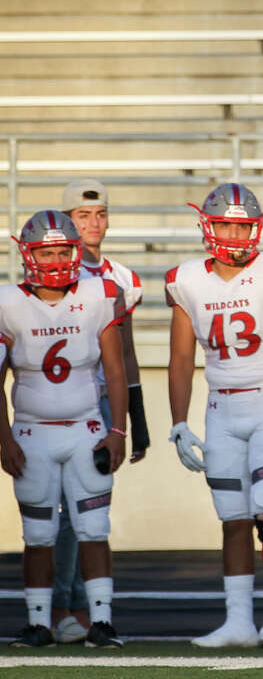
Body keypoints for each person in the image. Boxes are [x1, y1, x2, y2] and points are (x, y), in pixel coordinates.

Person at [166, 183, 263, 648]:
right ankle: (238, 622)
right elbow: (181, 360)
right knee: (232, 519)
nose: (235, 235)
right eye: (226, 225)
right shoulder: (187, 280)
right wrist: (179, 422)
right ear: (207, 227)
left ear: (257, 229)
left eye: (243, 226)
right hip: (221, 410)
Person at [0, 211, 129, 648]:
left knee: (94, 528)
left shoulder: (98, 294)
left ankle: (101, 621)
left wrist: (118, 430)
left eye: (62, 252)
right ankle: (39, 623)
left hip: (85, 427)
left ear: (75, 252)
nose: (55, 261)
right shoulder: (8, 302)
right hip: (32, 431)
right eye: (47, 253)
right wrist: (4, 438)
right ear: (28, 255)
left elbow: (115, 370)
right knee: (38, 534)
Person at [47, 179, 149, 645]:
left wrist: (134, 419)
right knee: (62, 510)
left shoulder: (123, 278)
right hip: (59, 396)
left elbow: (125, 353)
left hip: (103, 399)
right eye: (83, 215)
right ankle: (62, 607)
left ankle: (80, 608)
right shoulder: (52, 265)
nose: (93, 223)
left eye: (100, 214)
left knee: (90, 508)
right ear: (67, 219)